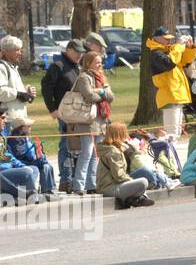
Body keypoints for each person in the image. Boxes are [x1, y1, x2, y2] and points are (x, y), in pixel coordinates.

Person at [61, 50, 113, 196]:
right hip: (86, 121)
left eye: (100, 62)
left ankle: (92, 184)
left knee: (96, 154)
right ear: (88, 63)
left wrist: (101, 92)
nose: (99, 64)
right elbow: (89, 96)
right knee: (87, 153)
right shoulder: (84, 77)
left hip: (100, 120)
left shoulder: (101, 77)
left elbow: (111, 96)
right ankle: (78, 186)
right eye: (96, 62)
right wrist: (102, 93)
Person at [40, 37, 84, 192]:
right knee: (66, 146)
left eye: (82, 53)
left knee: (78, 146)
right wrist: (52, 109)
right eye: (77, 52)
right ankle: (65, 180)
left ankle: (75, 178)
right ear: (69, 50)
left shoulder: (77, 66)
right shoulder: (57, 66)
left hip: (78, 113)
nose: (80, 55)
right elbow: (46, 87)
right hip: (64, 113)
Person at [146, 27, 196, 139]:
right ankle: (171, 155)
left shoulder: (170, 51)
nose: (169, 41)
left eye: (170, 39)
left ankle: (174, 154)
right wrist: (178, 46)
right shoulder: (155, 54)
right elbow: (169, 63)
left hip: (177, 96)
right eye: (166, 39)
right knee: (172, 133)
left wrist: (189, 48)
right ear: (157, 38)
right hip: (169, 96)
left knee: (177, 131)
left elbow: (186, 61)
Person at [96, 121, 154, 208]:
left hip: (109, 185)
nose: (126, 134)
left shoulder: (113, 148)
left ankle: (134, 199)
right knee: (143, 182)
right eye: (124, 132)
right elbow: (119, 176)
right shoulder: (113, 152)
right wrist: (131, 180)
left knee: (140, 177)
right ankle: (138, 199)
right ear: (120, 134)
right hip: (109, 187)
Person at [4, 110, 57, 200]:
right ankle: (37, 193)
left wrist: (40, 154)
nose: (30, 128)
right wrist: (39, 156)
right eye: (28, 126)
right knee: (40, 167)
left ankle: (47, 191)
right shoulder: (17, 140)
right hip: (23, 163)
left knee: (47, 166)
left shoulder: (25, 137)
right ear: (21, 128)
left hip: (29, 161)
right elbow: (30, 156)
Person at [0, 107, 40, 203]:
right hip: (2, 171)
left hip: (8, 167)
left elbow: (8, 154)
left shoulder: (2, 136)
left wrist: (20, 165)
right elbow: (4, 156)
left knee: (33, 169)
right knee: (27, 172)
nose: (5, 121)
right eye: (2, 118)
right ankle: (29, 196)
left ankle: (22, 197)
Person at [0, 36, 38, 118]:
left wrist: (26, 91)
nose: (20, 53)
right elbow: (0, 92)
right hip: (7, 120)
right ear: (6, 51)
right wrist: (19, 94)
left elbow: (11, 87)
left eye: (20, 50)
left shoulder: (12, 67)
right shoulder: (2, 67)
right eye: (16, 50)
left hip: (18, 119)